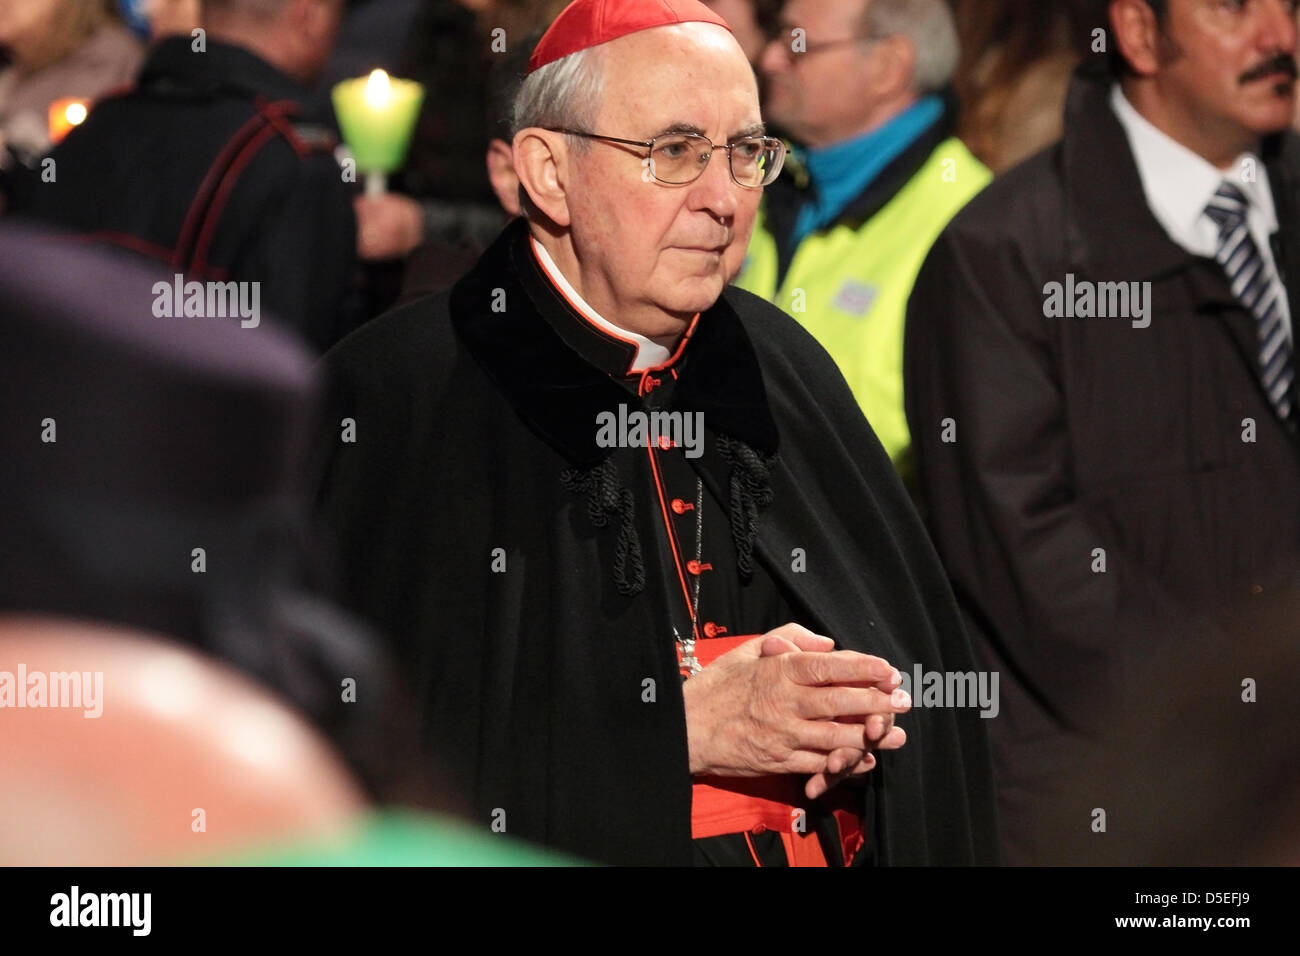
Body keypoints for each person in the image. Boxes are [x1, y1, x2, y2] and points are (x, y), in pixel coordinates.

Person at [317, 0, 996, 867]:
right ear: (548, 173)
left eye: (747, 154)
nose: (723, 201)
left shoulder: (782, 365)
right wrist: (670, 727)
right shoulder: (396, 394)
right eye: (674, 152)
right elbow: (354, 759)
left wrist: (849, 712)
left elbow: (912, 658)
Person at [905, 0, 1300, 863]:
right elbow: (1029, 550)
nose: (1279, 36)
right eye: (1235, 7)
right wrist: (1245, 717)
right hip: (1119, 800)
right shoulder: (1003, 255)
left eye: (1291, 5)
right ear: (1139, 31)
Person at [7, 0, 360, 353]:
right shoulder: (297, 159)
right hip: (195, 403)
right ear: (307, 17)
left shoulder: (94, 124)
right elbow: (287, 370)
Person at [733, 0, 990, 477]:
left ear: (889, 67)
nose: (769, 58)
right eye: (775, 35)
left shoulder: (971, 224)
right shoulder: (758, 179)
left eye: (797, 43)